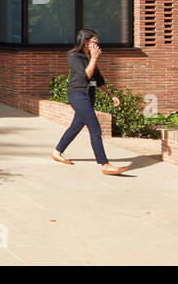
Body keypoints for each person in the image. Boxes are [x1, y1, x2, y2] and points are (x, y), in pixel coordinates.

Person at [51, 29, 128, 175]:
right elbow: (85, 76)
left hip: (89, 96)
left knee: (75, 127)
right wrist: (93, 58)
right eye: (95, 41)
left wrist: (110, 94)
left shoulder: (89, 56)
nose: (98, 43)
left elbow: (97, 79)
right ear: (86, 42)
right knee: (95, 129)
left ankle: (57, 152)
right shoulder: (74, 56)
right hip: (77, 95)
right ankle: (105, 164)